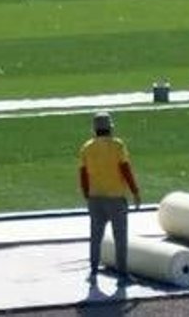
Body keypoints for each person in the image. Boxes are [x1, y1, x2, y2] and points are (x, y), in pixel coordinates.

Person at [77, 111, 141, 280]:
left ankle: (93, 269)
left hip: (95, 197)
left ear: (94, 130)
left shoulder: (87, 147)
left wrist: (87, 194)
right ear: (110, 128)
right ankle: (122, 273)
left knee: (95, 236)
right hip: (116, 198)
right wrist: (135, 191)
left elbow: (83, 174)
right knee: (120, 237)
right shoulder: (117, 146)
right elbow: (125, 170)